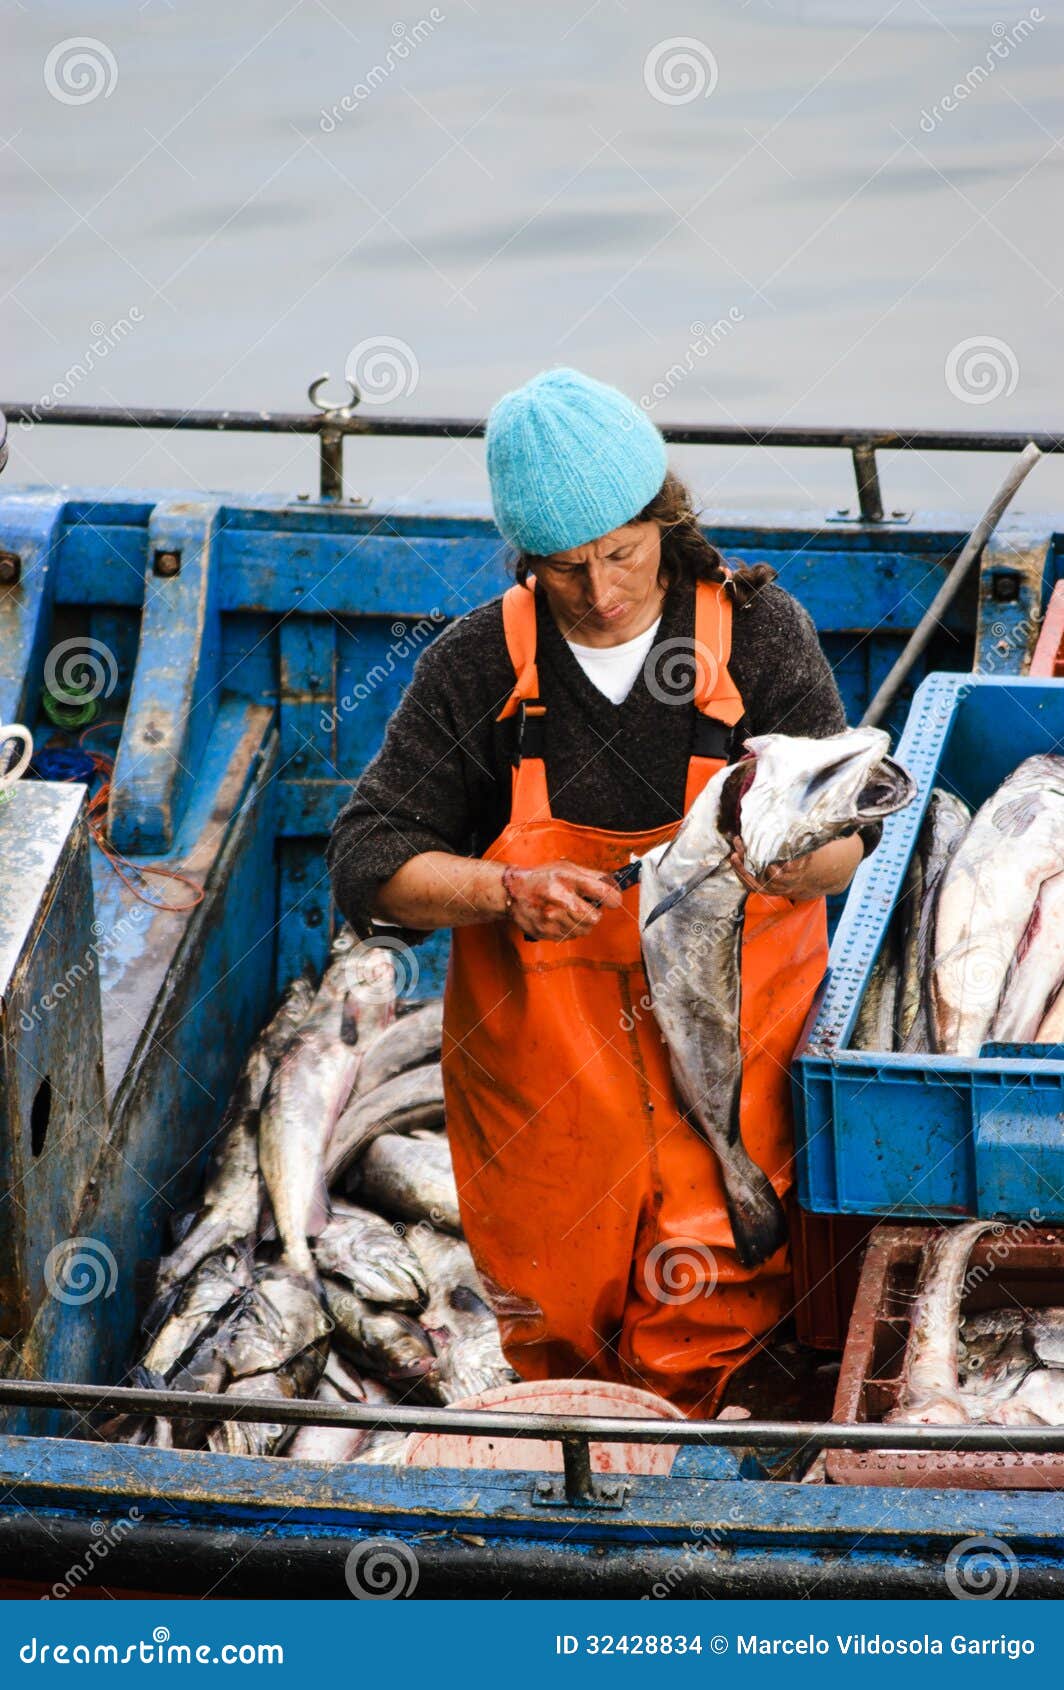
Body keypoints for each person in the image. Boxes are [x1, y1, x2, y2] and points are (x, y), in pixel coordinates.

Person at [326, 366, 877, 1416]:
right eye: (564, 570)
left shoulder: (761, 636)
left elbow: (846, 847)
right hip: (546, 1081)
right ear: (527, 560)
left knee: (715, 1300)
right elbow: (366, 859)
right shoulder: (479, 662)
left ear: (662, 518)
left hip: (725, 1053)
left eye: (621, 553)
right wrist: (501, 887)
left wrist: (779, 859)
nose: (601, 590)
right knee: (550, 1325)